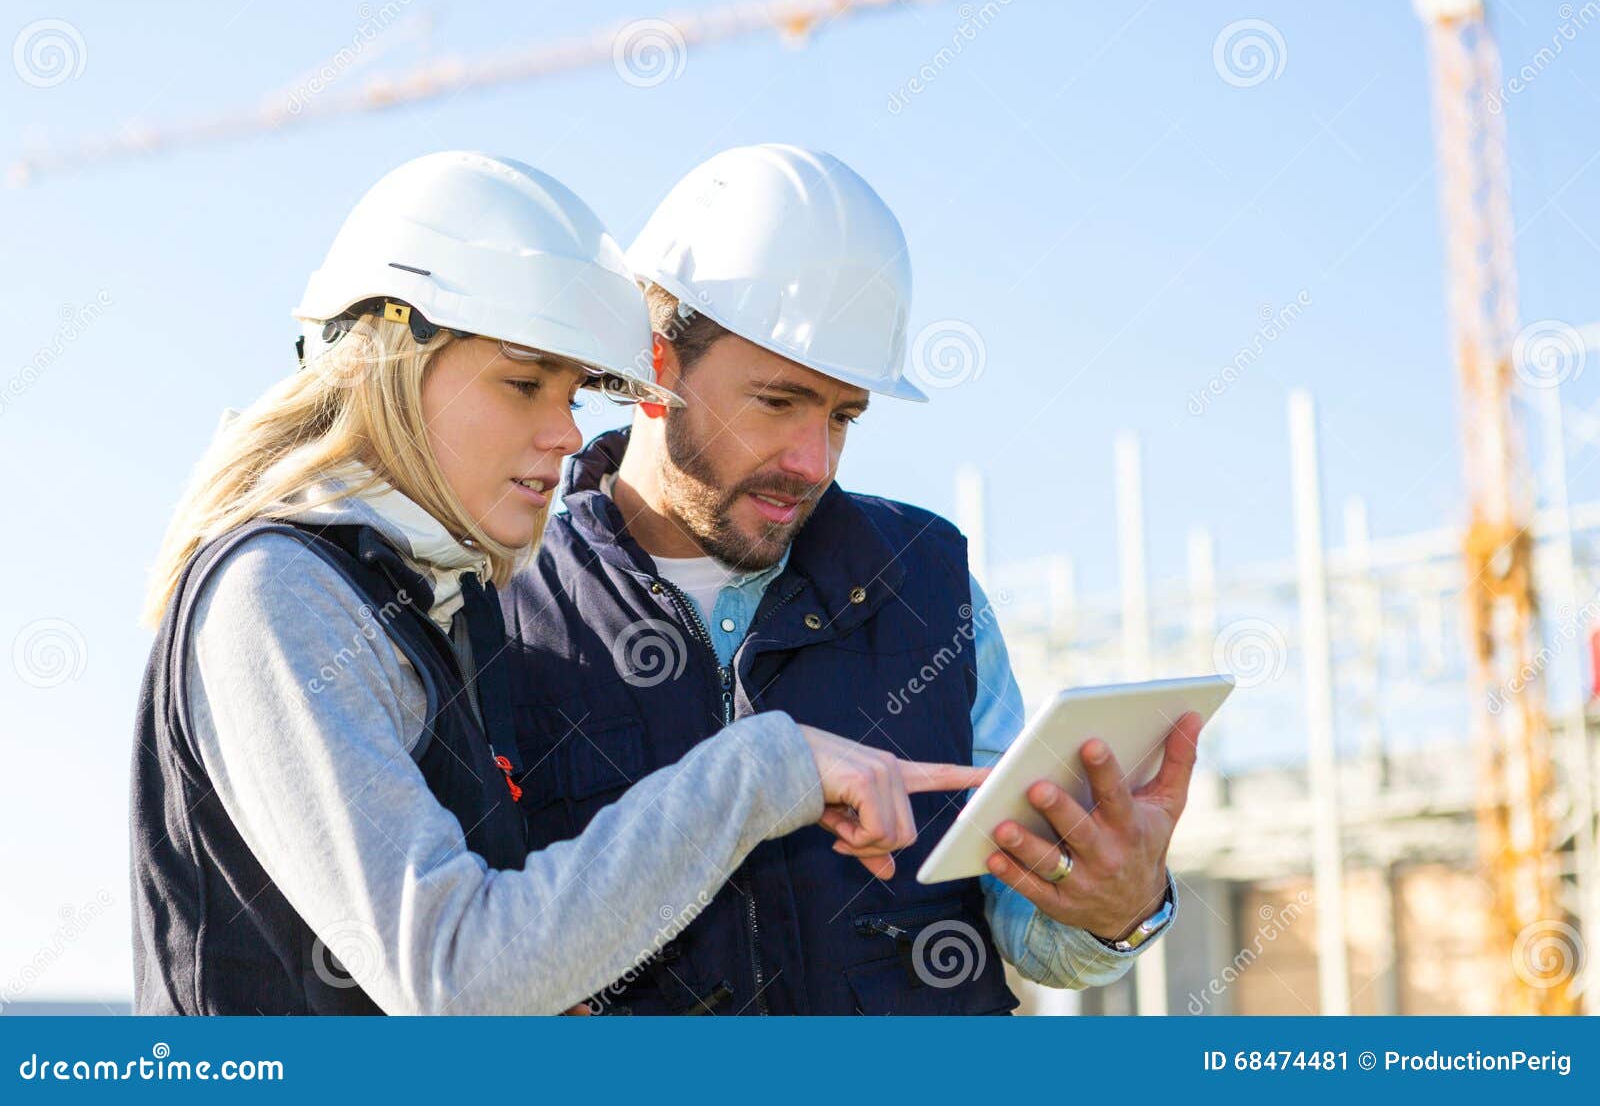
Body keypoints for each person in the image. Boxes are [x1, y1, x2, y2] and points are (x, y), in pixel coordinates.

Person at [129, 150, 987, 1016]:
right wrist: (767, 768)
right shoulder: (278, 595)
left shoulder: (439, 609)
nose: (567, 432)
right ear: (387, 360)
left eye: (573, 391)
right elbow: (456, 975)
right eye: (525, 384)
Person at [501, 144, 1201, 1015]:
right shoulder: (503, 611)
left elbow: (1028, 918)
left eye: (843, 416)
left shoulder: (929, 583)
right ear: (655, 364)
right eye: (778, 401)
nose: (812, 459)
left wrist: (1115, 906)